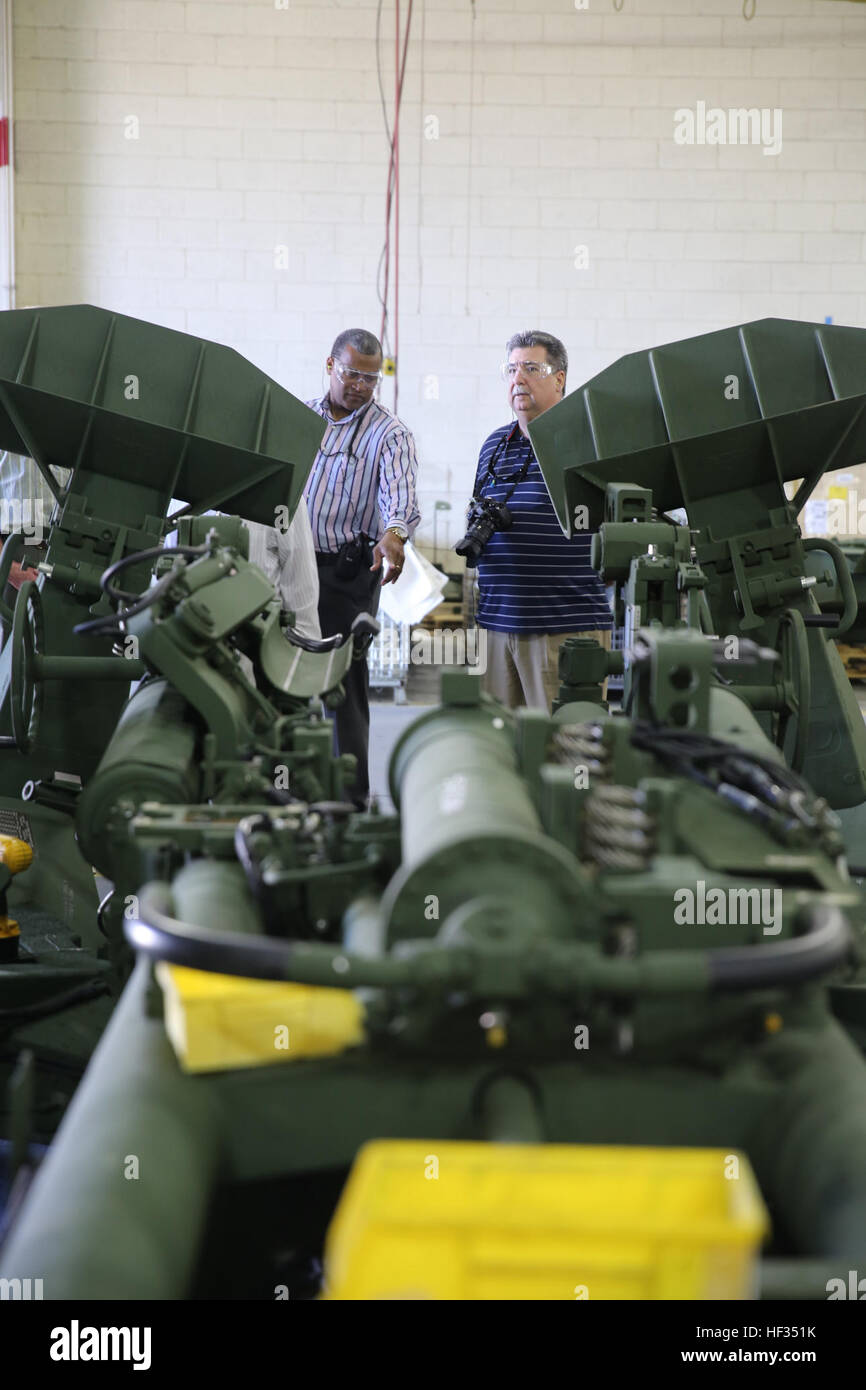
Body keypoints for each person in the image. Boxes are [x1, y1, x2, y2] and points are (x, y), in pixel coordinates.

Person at [465, 330, 612, 711]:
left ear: (560, 378)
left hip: (563, 627)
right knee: (502, 750)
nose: (518, 378)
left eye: (531, 368)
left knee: (565, 749)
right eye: (511, 369)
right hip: (497, 626)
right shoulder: (495, 445)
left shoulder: (589, 440)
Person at [304, 328, 420, 807]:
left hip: (345, 576)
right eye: (352, 374)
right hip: (289, 567)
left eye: (371, 379)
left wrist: (394, 534)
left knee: (342, 686)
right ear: (330, 365)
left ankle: (349, 804)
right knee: (273, 676)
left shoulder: (390, 434)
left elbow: (400, 498)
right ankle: (280, 792)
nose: (360, 386)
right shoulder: (300, 417)